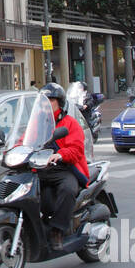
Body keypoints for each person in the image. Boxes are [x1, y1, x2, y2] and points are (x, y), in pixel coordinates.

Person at [38, 83, 90, 250]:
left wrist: (61, 154)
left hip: (65, 168)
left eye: (51, 100)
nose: (47, 104)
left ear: (59, 102)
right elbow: (24, 140)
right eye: (44, 101)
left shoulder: (70, 123)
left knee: (68, 189)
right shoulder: (39, 124)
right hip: (42, 168)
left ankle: (57, 230)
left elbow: (76, 149)